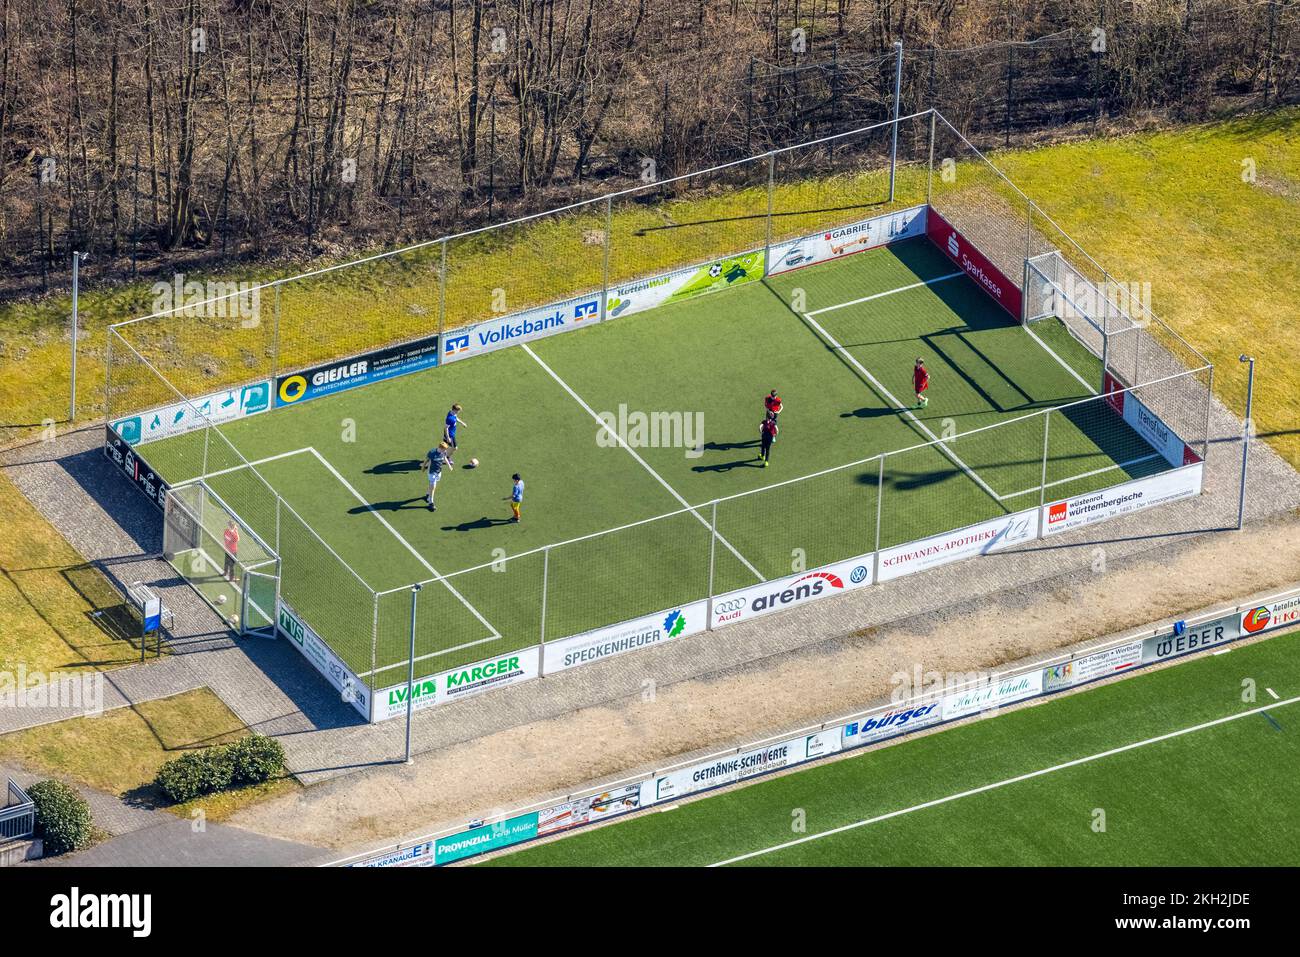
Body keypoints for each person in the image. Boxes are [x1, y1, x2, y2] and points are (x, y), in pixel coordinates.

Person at [422, 441, 454, 511]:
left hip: (439, 472)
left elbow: (445, 457)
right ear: (440, 448)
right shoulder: (432, 453)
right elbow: (426, 460)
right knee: (433, 487)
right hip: (432, 472)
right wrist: (423, 467)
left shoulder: (443, 452)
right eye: (444, 449)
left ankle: (427, 494)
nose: (445, 451)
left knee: (431, 486)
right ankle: (431, 503)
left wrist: (449, 466)